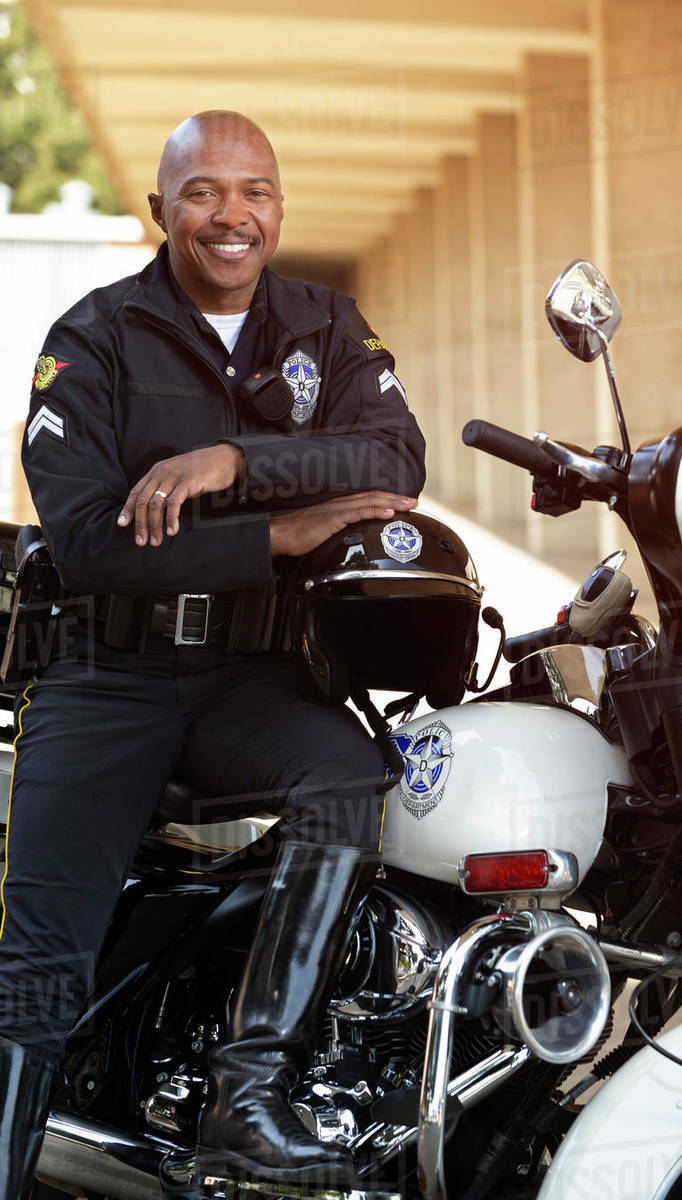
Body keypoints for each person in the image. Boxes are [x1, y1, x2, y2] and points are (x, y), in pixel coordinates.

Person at [0, 109, 425, 1198]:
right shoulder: (90, 338)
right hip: (109, 675)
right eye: (203, 193)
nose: (231, 215)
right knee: (40, 969)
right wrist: (276, 532)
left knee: (349, 778)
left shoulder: (327, 328)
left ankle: (247, 1098)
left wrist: (233, 460)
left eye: (254, 192)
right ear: (161, 209)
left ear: (278, 209)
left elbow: (391, 457)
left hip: (254, 677)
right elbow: (92, 539)